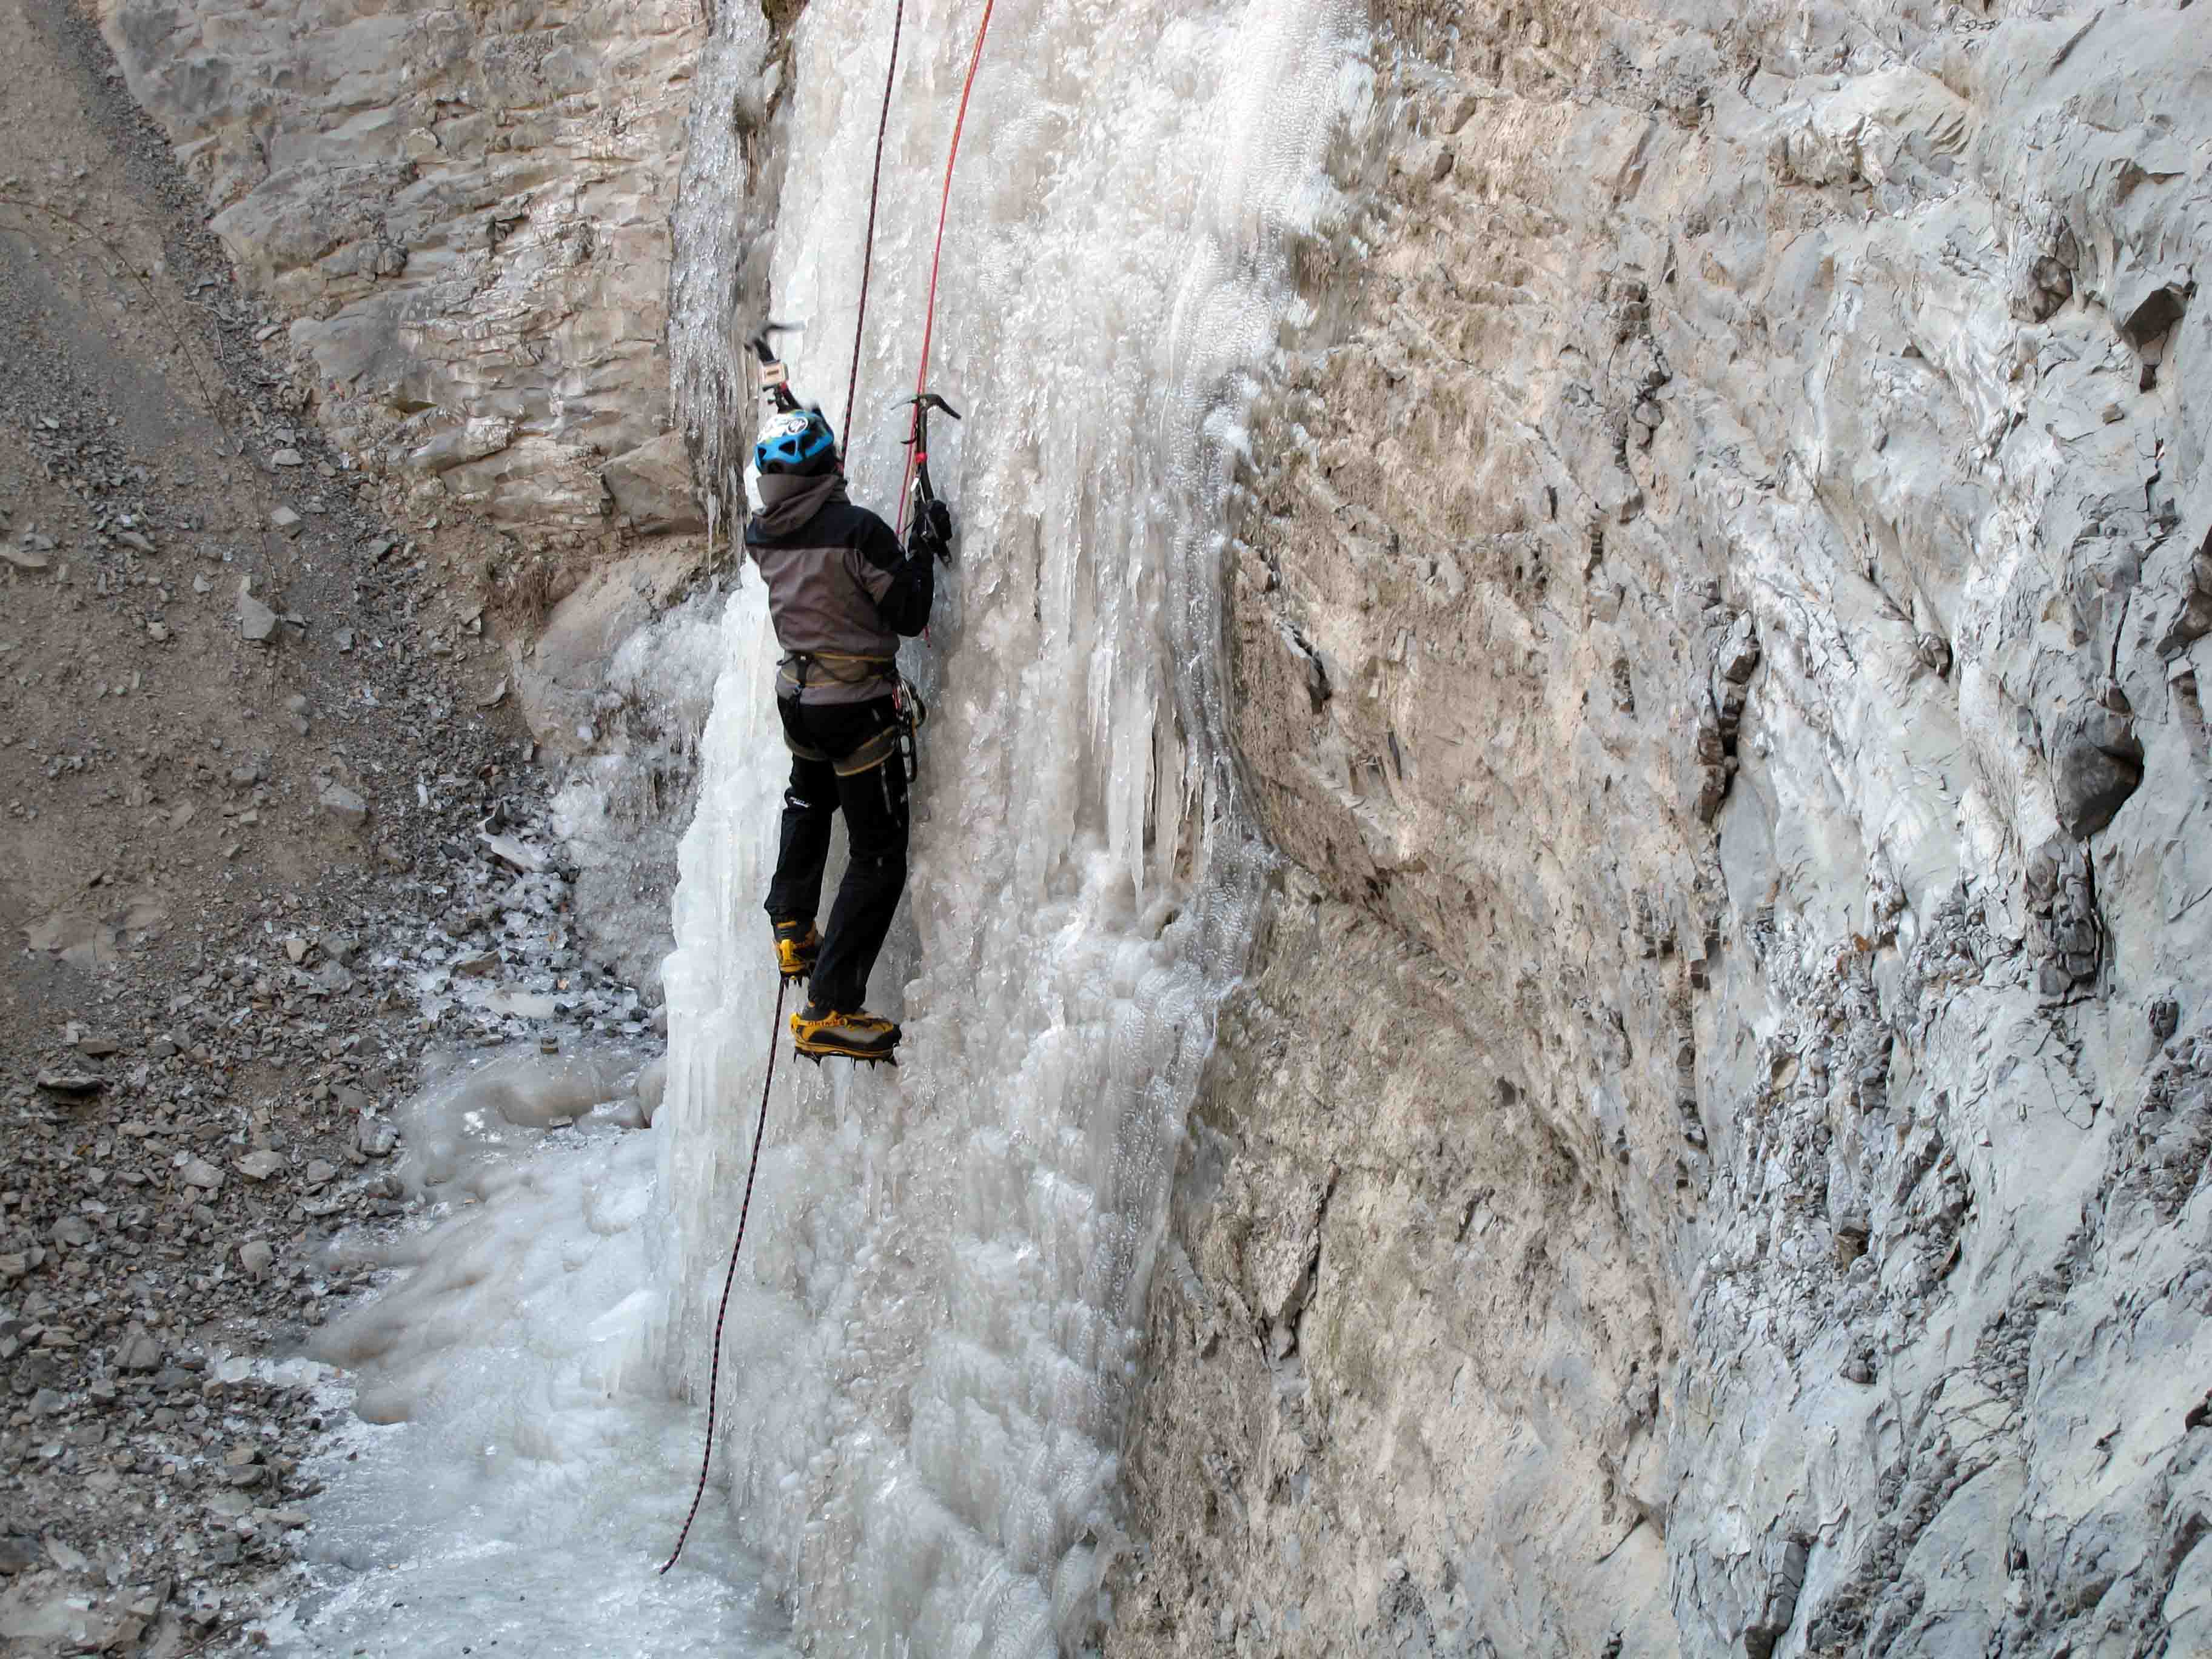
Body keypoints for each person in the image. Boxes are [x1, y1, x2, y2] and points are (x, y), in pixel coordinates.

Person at [746, 406, 951, 1062]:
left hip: (798, 700)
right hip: (854, 708)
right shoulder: (859, 533)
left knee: (808, 796)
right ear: (827, 466)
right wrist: (921, 543)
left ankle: (792, 922)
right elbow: (911, 608)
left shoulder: (764, 532)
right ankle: (831, 1005)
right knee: (879, 854)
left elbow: (812, 508)